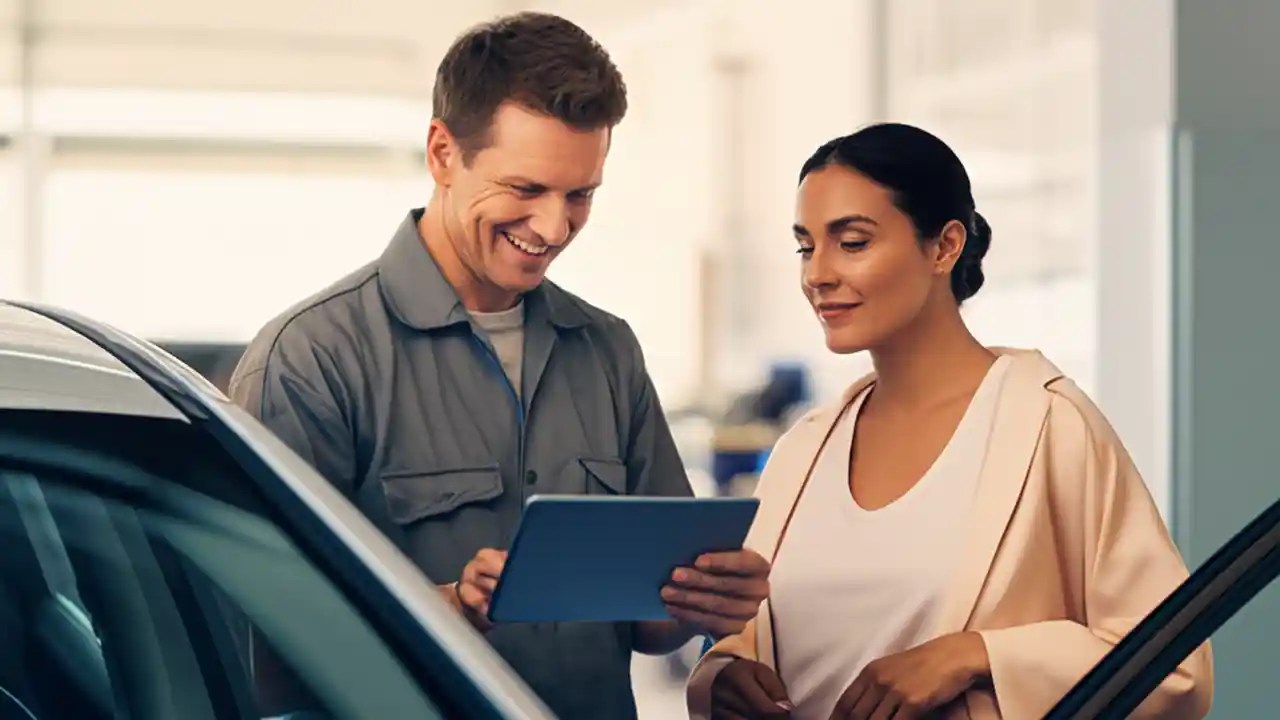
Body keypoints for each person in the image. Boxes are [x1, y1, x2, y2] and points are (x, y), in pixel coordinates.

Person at [228, 12, 770, 719]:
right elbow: (257, 639)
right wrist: (444, 608)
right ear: (443, 153)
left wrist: (701, 601)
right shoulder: (310, 361)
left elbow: (649, 626)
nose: (553, 228)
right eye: (525, 190)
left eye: (580, 195)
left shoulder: (607, 351)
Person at [685, 123, 1213, 720]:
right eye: (807, 247)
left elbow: (1173, 662)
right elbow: (746, 638)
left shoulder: (1049, 427)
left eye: (852, 243)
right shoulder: (801, 452)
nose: (817, 274)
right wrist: (722, 677)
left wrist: (975, 655)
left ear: (944, 247)